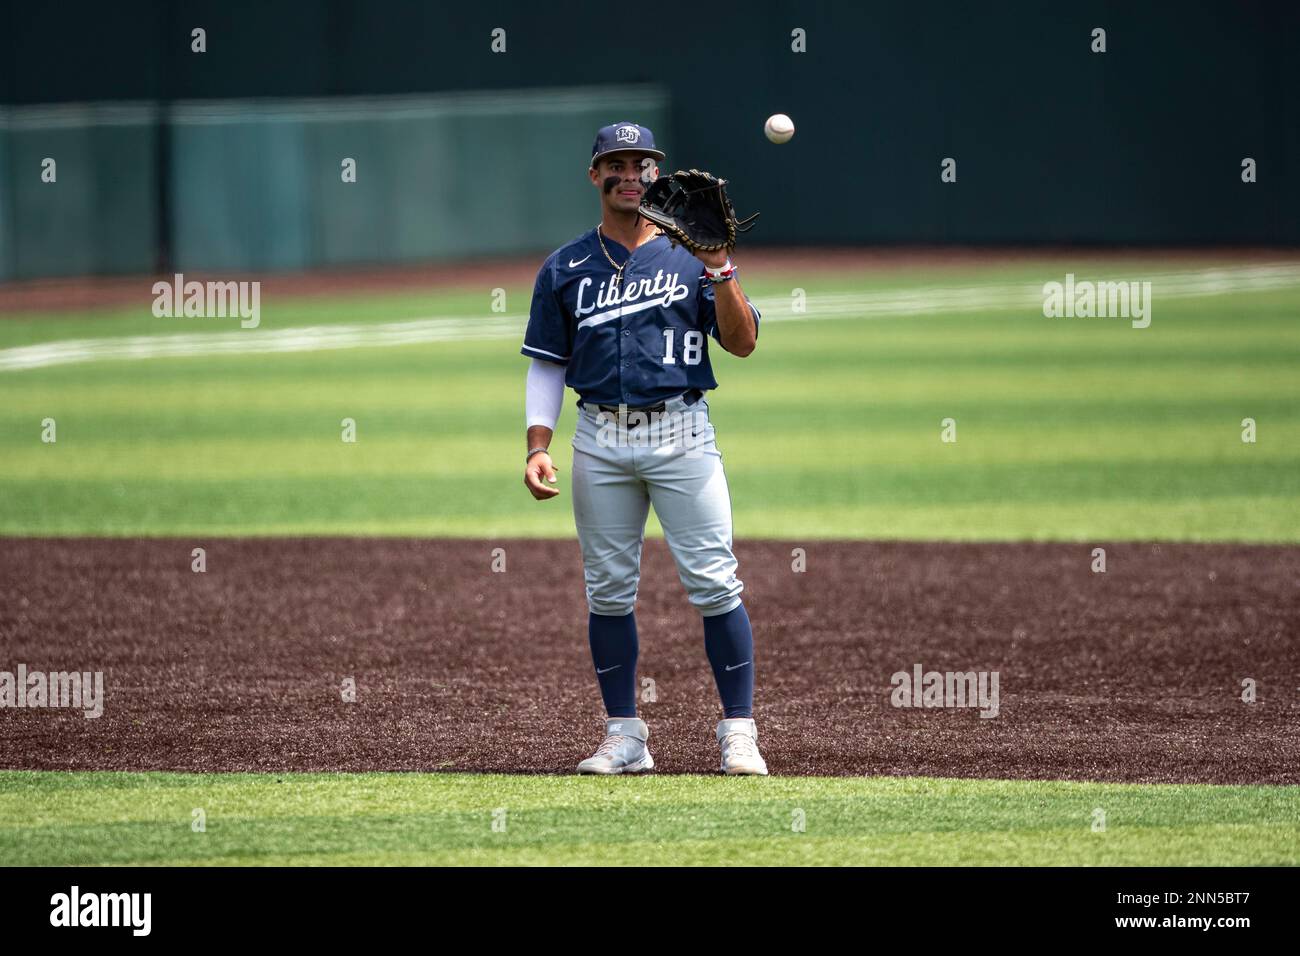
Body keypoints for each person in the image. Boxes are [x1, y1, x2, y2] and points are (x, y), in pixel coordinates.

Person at [520, 121, 767, 775]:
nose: (630, 176)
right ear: (595, 175)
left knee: (716, 584)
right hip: (599, 440)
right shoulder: (566, 266)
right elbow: (548, 361)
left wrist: (720, 268)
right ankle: (624, 737)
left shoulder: (693, 256)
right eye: (616, 164)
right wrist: (537, 445)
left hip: (683, 434)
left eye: (642, 165)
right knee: (607, 593)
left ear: (657, 174)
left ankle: (738, 733)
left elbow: (742, 343)